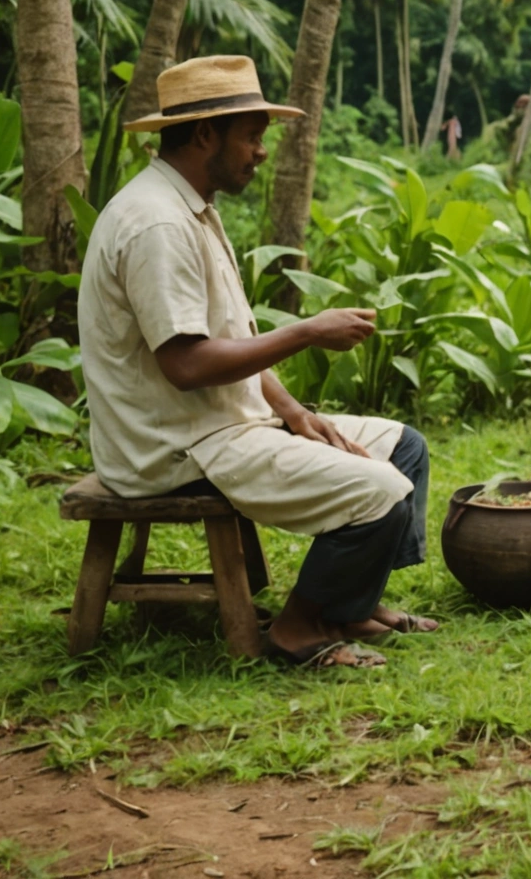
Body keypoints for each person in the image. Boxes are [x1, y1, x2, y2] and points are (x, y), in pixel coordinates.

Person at [80, 56, 436, 669]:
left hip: (226, 422)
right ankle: (297, 631)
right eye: (253, 136)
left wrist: (295, 411)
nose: (261, 152)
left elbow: (226, 334)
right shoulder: (156, 224)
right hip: (178, 444)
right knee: (383, 489)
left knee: (404, 448)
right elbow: (187, 364)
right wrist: (306, 332)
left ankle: (349, 606)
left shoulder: (193, 206)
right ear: (203, 135)